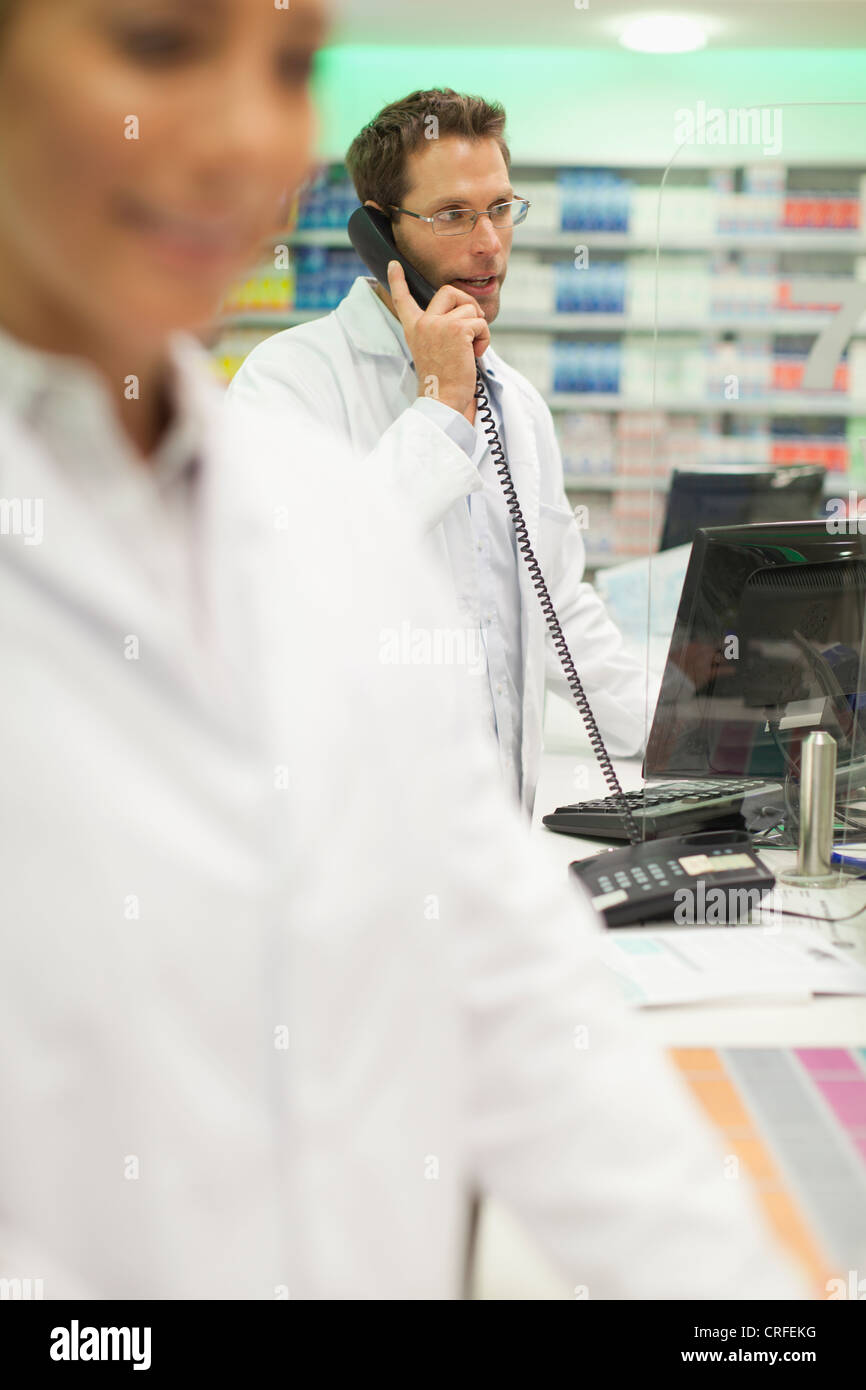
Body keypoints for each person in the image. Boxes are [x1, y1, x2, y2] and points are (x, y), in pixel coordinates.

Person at [0, 0, 810, 1299]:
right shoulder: (297, 395)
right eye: (157, 43)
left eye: (289, 65)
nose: (246, 134)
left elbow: (537, 1018)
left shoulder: (331, 477)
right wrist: (434, 407)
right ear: (375, 227)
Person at [227, 89, 647, 815]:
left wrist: (690, 731)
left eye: (501, 209)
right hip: (352, 844)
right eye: (454, 215)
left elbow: (560, 605)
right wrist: (437, 407)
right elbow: (291, 585)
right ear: (380, 233)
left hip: (495, 839)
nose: (489, 242)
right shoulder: (290, 380)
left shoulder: (517, 402)